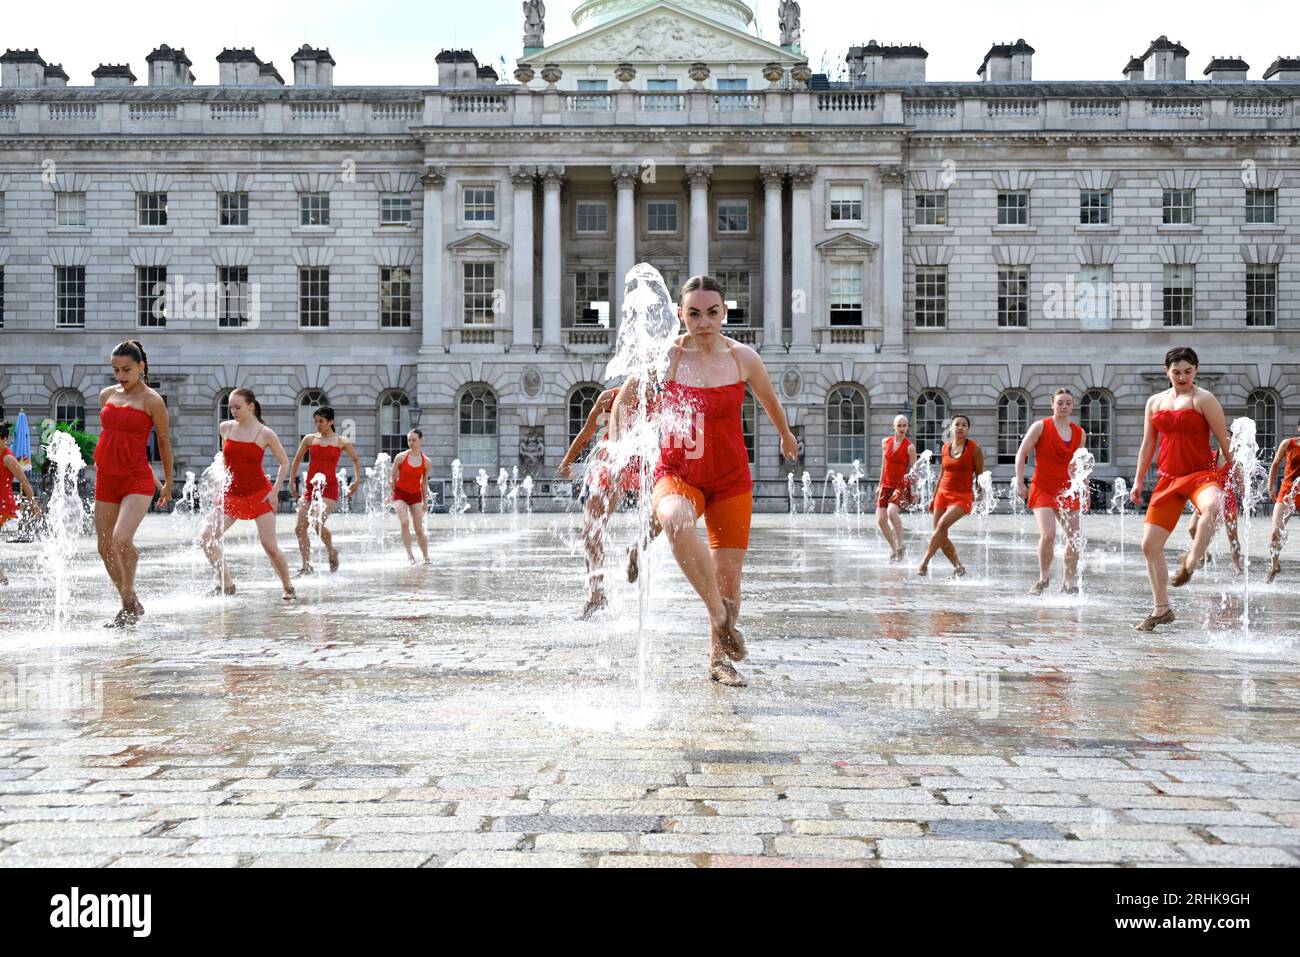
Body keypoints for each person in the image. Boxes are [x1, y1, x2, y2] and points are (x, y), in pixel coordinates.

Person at [613, 275, 798, 687]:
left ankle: (720, 660)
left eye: (712, 313)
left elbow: (770, 400)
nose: (703, 323)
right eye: (693, 314)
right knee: (678, 519)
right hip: (679, 474)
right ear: (681, 315)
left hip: (731, 478)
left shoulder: (742, 357)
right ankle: (718, 614)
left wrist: (786, 436)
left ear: (725, 313)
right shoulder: (668, 356)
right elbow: (625, 397)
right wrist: (620, 445)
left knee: (729, 575)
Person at [1130, 347, 1231, 631]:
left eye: (1188, 371)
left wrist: (1235, 473)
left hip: (1200, 474)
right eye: (1176, 372)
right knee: (1149, 545)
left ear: (1196, 370)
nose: (1182, 377)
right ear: (1167, 371)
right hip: (1168, 479)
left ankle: (1192, 559)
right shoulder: (1155, 402)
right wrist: (1138, 481)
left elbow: (1224, 440)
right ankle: (1161, 608)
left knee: (1213, 506)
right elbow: (1148, 444)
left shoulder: (1204, 399)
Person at [94, 340, 173, 627]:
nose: (120, 375)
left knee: (121, 539)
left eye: (126, 369)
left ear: (141, 366)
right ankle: (130, 602)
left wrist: (167, 481)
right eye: (115, 370)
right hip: (106, 477)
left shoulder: (152, 400)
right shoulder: (106, 395)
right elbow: (113, 439)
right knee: (104, 547)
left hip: (136, 478)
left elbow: (163, 443)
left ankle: (128, 601)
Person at [201, 387, 296, 600]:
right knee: (207, 537)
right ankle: (226, 582)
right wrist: (219, 485)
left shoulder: (265, 433)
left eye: (238, 407)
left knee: (270, 546)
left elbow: (284, 463)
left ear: (250, 406)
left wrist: (274, 492)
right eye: (230, 407)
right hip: (232, 495)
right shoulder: (225, 428)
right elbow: (225, 462)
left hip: (259, 494)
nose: (233, 411)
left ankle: (288, 586)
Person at [1015, 389, 1088, 594]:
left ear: (1072, 406)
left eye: (1068, 403)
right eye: (1060, 403)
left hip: (1067, 489)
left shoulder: (1079, 433)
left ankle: (1068, 581)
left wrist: (1085, 489)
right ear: (1052, 405)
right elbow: (1022, 453)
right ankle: (1043, 578)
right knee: (1048, 534)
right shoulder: (1040, 426)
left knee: (1074, 536)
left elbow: (1079, 465)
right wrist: (1020, 482)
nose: (1064, 406)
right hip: (1043, 487)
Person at [288, 406, 361, 575]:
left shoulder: (341, 441)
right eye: (316, 421)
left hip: (329, 489)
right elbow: (297, 459)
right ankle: (306, 566)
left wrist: (357, 480)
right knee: (299, 529)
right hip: (310, 488)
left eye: (321, 421)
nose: (318, 424)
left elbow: (356, 460)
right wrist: (291, 481)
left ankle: (331, 551)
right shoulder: (309, 439)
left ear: (331, 422)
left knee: (316, 521)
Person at [918, 415, 983, 578]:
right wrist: (933, 497)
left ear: (968, 429)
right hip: (942, 493)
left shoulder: (974, 448)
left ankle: (924, 562)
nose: (960, 427)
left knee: (941, 526)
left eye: (964, 425)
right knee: (940, 533)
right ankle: (959, 567)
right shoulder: (945, 447)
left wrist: (981, 496)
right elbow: (942, 473)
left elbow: (980, 475)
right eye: (957, 424)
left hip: (962, 496)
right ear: (951, 427)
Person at [0, 424, 42, 585]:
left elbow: (24, 482)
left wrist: (33, 503)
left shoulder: (8, 458)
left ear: (4, 439)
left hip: (3, 504)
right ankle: (1, 575)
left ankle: (2, 575)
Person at [876, 415, 916, 562]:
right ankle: (894, 549)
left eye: (904, 425)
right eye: (899, 425)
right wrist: (880, 485)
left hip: (900, 485)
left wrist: (914, 491)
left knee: (892, 512)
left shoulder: (910, 447)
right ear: (894, 426)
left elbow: (914, 470)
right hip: (886, 485)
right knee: (881, 520)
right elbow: (883, 465)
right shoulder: (885, 442)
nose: (902, 428)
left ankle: (901, 545)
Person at [1265, 417, 1300, 583]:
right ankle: (1274, 565)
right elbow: (1275, 464)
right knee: (1275, 531)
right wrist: (1270, 487)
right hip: (1287, 491)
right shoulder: (1288, 444)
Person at [390, 429, 431, 564]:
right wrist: (391, 494)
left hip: (415, 495)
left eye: (414, 440)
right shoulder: (400, 457)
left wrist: (425, 502)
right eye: (409, 440)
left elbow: (424, 483)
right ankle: (410, 556)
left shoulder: (426, 462)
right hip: (400, 494)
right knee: (404, 522)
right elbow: (392, 477)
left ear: (421, 440)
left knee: (419, 528)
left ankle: (426, 556)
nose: (411, 443)